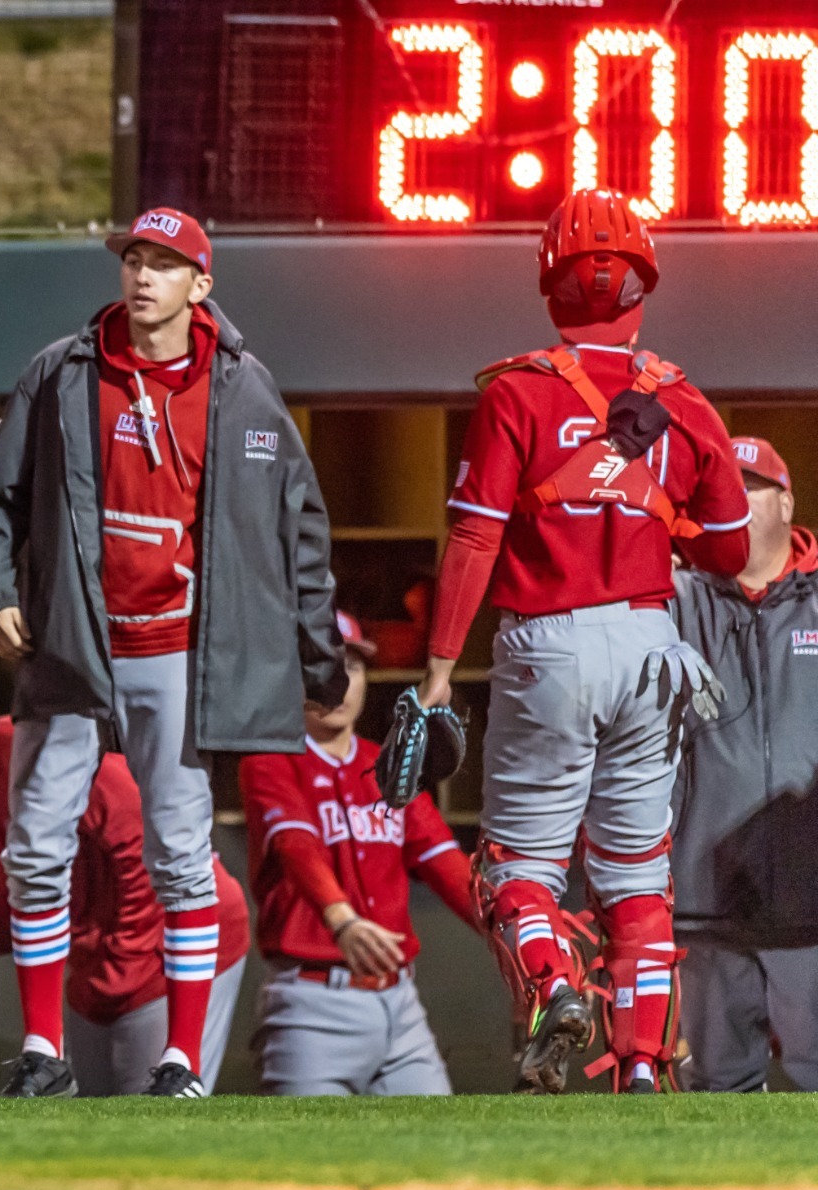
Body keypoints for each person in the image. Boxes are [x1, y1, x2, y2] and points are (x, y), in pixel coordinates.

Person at [0, 206, 345, 1099]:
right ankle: (44, 1048)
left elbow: (301, 532)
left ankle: (181, 1059)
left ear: (201, 285)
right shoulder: (62, 373)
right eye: (134, 258)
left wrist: (321, 661)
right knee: (38, 847)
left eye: (164, 264)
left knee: (179, 849)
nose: (142, 275)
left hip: (182, 649)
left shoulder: (246, 389)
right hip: (74, 643)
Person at [416, 188, 749, 1094]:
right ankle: (643, 1063)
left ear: (550, 286)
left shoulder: (518, 392)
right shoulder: (682, 399)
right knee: (637, 874)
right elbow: (725, 546)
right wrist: (649, 499)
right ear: (644, 284)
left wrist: (439, 667)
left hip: (549, 646)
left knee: (517, 870)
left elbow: (476, 539)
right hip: (652, 643)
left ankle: (556, 987)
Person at [0, 711, 250, 1096]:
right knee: (93, 1122)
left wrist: (122, 959)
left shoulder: (26, 739)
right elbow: (18, 912)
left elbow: (142, 835)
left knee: (158, 1122)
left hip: (164, 948)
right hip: (105, 962)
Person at [241, 611, 478, 1096]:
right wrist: (341, 918)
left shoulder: (384, 764)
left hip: (400, 1006)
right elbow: (295, 845)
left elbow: (448, 867)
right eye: (320, 668)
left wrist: (522, 938)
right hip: (311, 1007)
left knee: (441, 1154)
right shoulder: (270, 759)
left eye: (350, 668)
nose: (338, 683)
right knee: (305, 1168)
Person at [668, 436, 818, 1091]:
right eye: (719, 490)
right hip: (709, 893)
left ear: (786, 502)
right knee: (720, 1089)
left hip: (812, 894)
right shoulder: (675, 600)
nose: (732, 500)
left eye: (749, 486)